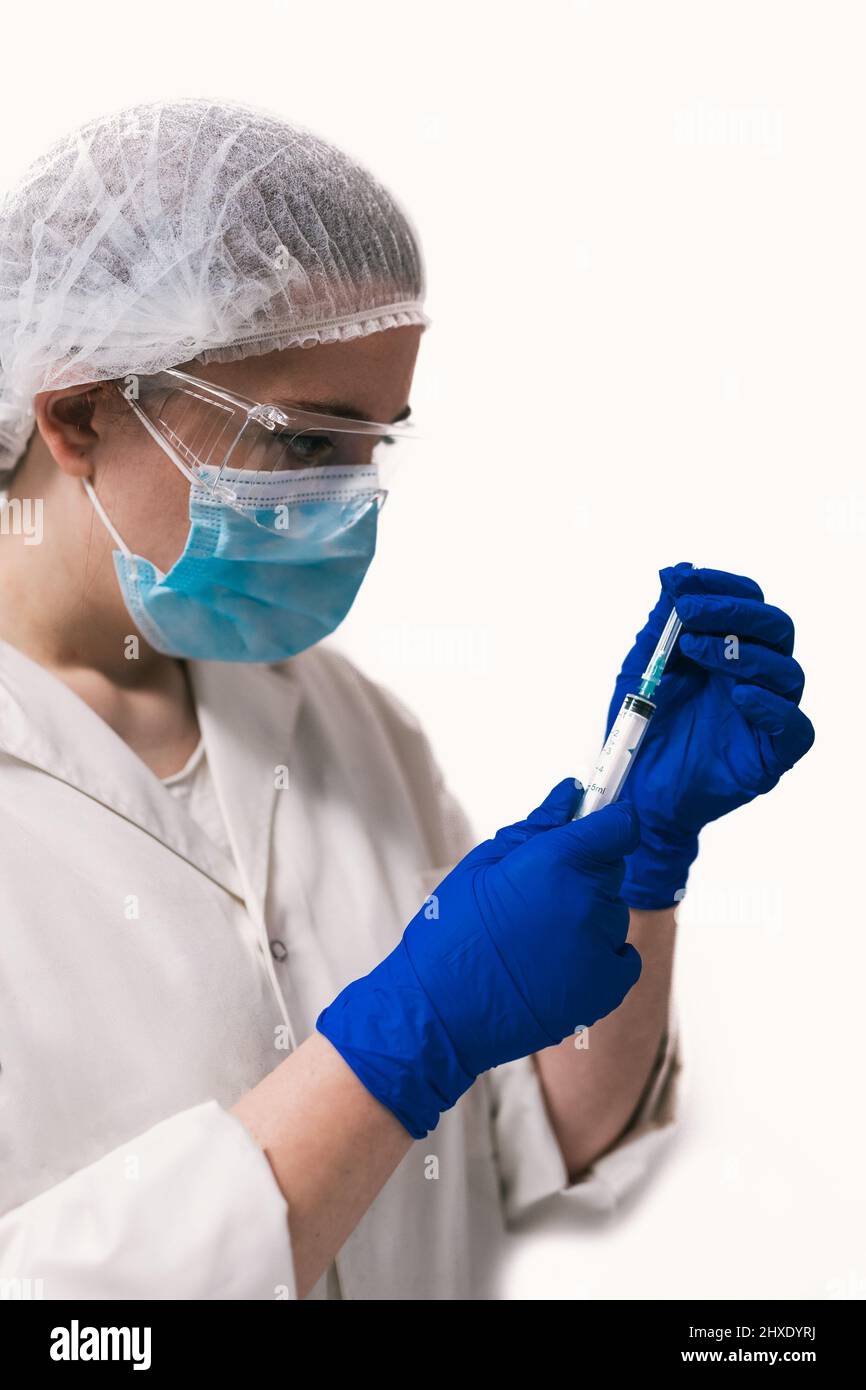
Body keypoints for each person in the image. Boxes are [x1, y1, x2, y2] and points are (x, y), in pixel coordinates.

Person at [0, 98, 814, 1301]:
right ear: (76, 412)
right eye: (302, 444)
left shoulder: (343, 725)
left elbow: (524, 1142)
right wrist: (392, 1045)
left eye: (375, 444)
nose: (351, 501)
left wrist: (640, 858)